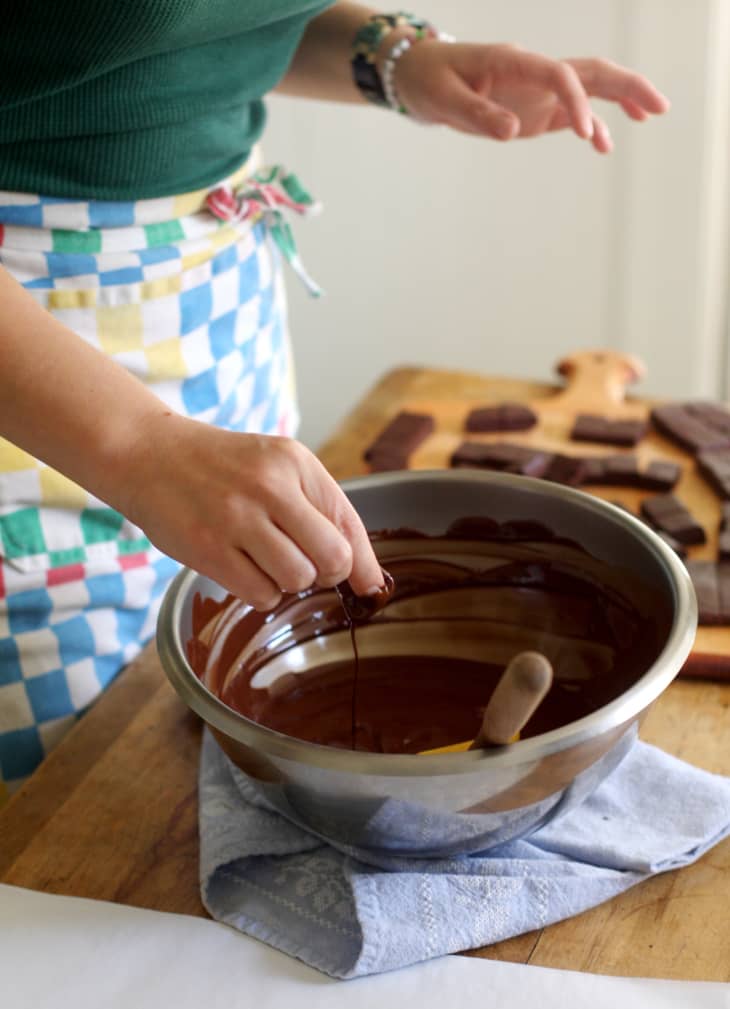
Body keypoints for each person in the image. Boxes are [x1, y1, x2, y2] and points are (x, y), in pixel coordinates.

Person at [0, 2, 669, 797]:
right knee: (63, 810)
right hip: (31, 371)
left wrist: (391, 60)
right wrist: (141, 448)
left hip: (214, 297)